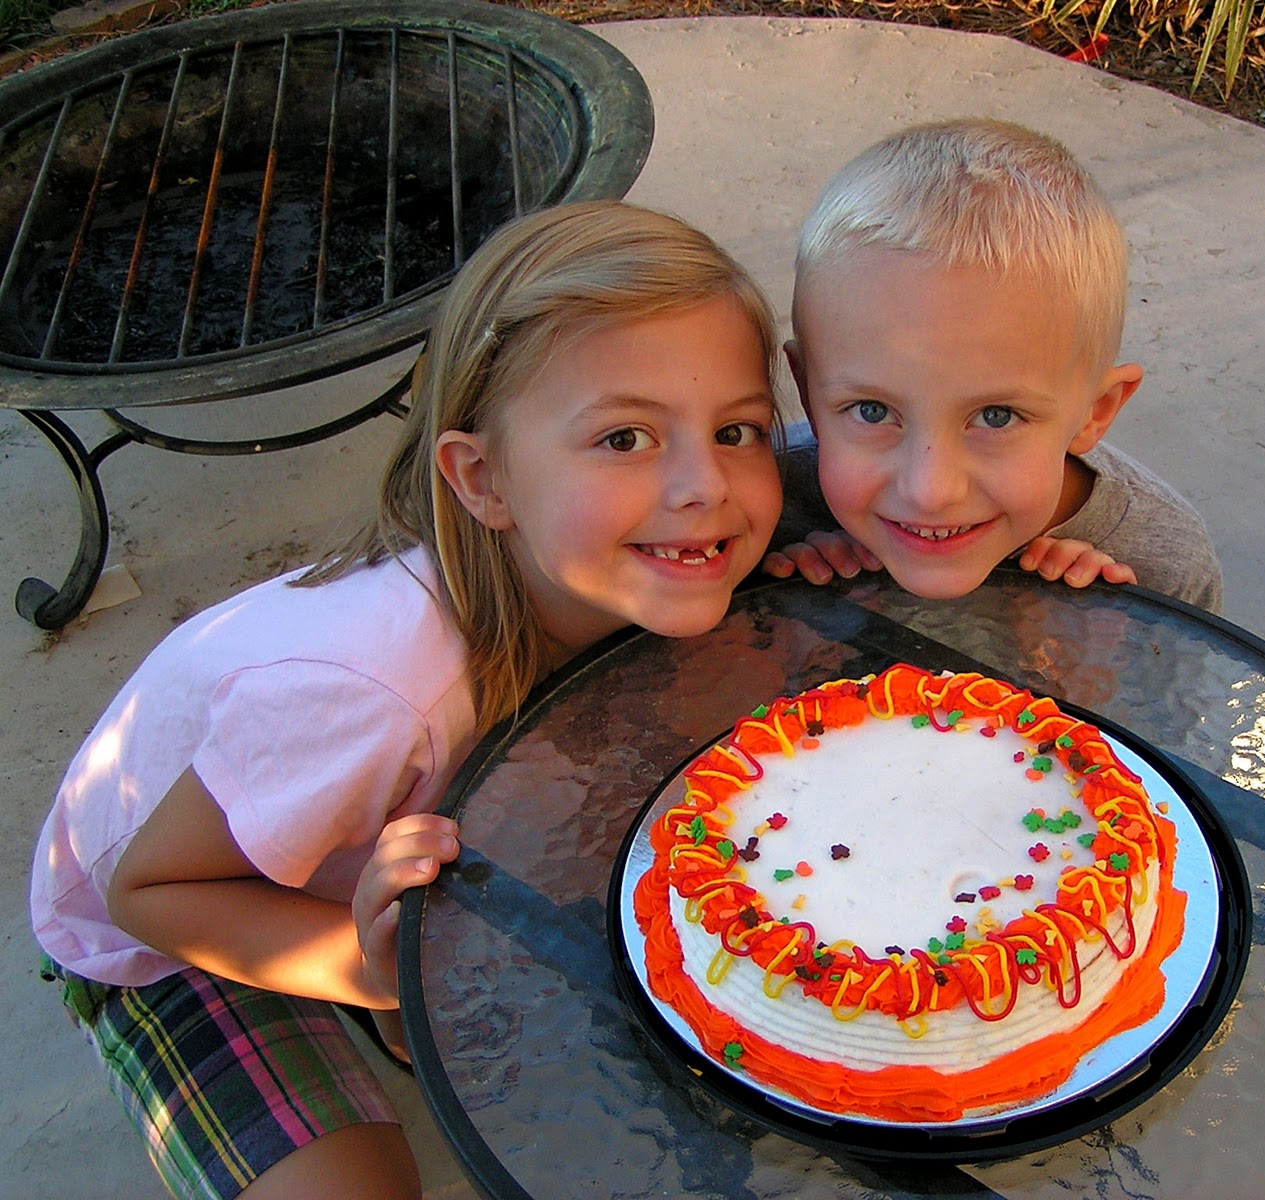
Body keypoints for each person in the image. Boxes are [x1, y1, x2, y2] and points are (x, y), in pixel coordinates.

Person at [29, 201, 785, 1200]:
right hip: (175, 931)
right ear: (482, 479)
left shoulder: (614, 558)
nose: (706, 486)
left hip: (367, 844)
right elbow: (153, 893)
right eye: (625, 437)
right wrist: (369, 967)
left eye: (738, 430)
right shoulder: (365, 695)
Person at [765, 117, 1223, 612]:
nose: (930, 492)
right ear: (809, 393)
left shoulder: (1160, 564)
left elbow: (1184, 686)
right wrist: (779, 617)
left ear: (1096, 412)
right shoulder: (759, 511)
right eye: (872, 411)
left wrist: (1103, 671)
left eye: (996, 416)